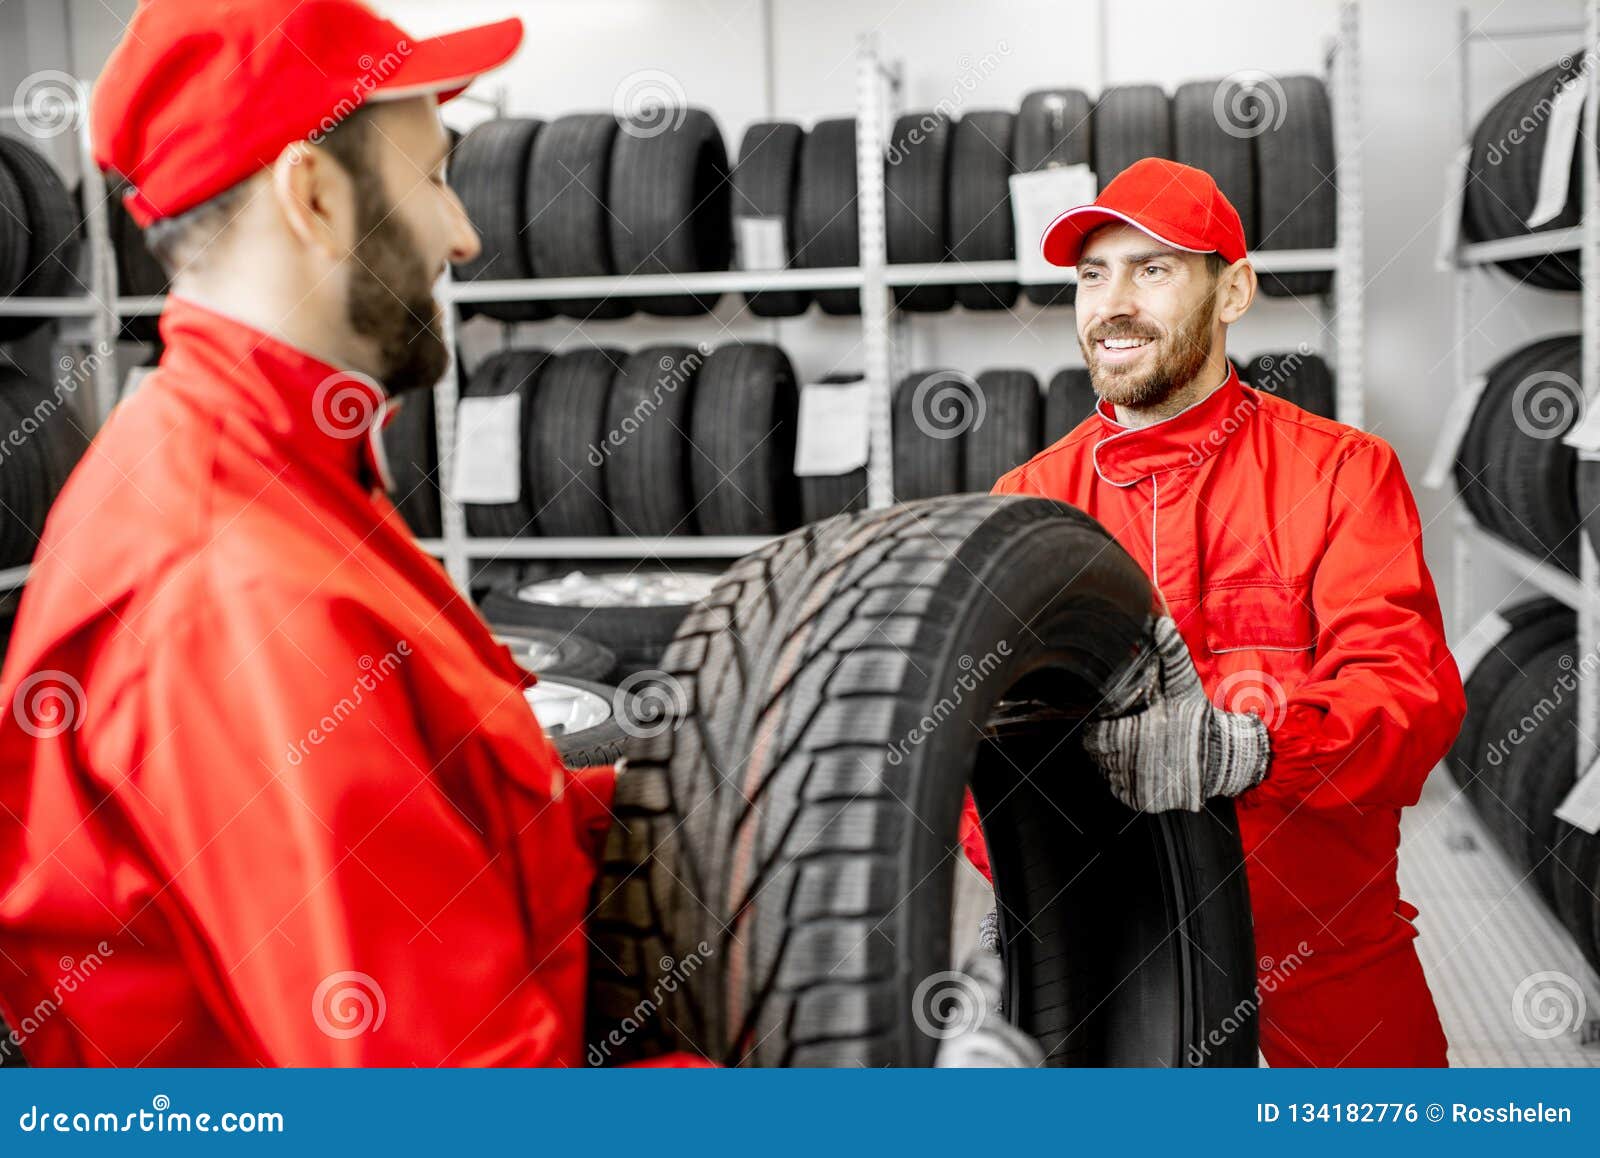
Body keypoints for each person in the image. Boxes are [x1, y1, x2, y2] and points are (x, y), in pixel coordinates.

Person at [0, 0, 625, 1066]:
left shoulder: (279, 474)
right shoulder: (236, 587)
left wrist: (734, 769)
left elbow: (458, 811)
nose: (462, 234)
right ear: (316, 197)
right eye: (432, 177)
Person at [961, 158, 1466, 1067]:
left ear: (1232, 290)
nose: (1112, 301)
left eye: (1152, 270)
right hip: (1111, 954)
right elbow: (971, 739)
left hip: (1323, 943)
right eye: (1091, 274)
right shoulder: (1029, 504)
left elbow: (1407, 699)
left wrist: (1252, 751)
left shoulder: (1343, 474)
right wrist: (1033, 876)